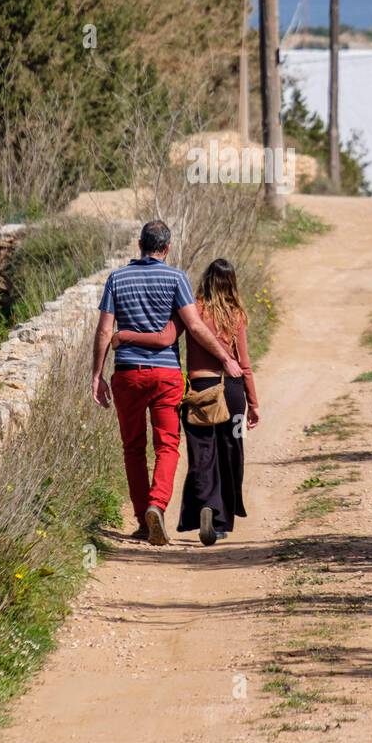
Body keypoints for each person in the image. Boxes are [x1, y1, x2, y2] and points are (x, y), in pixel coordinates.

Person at [91, 221, 242, 547]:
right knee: (166, 446)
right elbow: (195, 326)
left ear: (139, 245)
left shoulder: (117, 278)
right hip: (166, 376)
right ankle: (156, 505)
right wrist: (226, 357)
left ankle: (142, 522)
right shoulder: (176, 278)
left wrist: (96, 375)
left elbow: (105, 331)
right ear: (167, 248)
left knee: (133, 448)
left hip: (127, 373)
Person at [112, 258, 258, 547]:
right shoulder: (236, 314)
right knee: (231, 453)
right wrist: (253, 402)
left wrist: (124, 335)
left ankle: (206, 504)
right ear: (233, 283)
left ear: (204, 280)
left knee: (202, 454)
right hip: (231, 390)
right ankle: (221, 521)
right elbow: (244, 363)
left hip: (198, 390)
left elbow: (165, 337)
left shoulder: (194, 309)